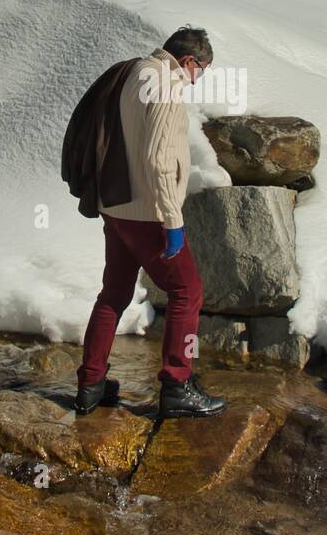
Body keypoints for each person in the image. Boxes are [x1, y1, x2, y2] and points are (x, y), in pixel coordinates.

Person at [68, 27, 227, 418]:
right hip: (149, 212)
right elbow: (158, 160)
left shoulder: (131, 72)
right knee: (187, 292)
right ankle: (178, 383)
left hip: (116, 206)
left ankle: (91, 384)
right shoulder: (167, 83)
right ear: (189, 62)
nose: (195, 81)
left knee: (114, 294)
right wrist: (172, 221)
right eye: (200, 72)